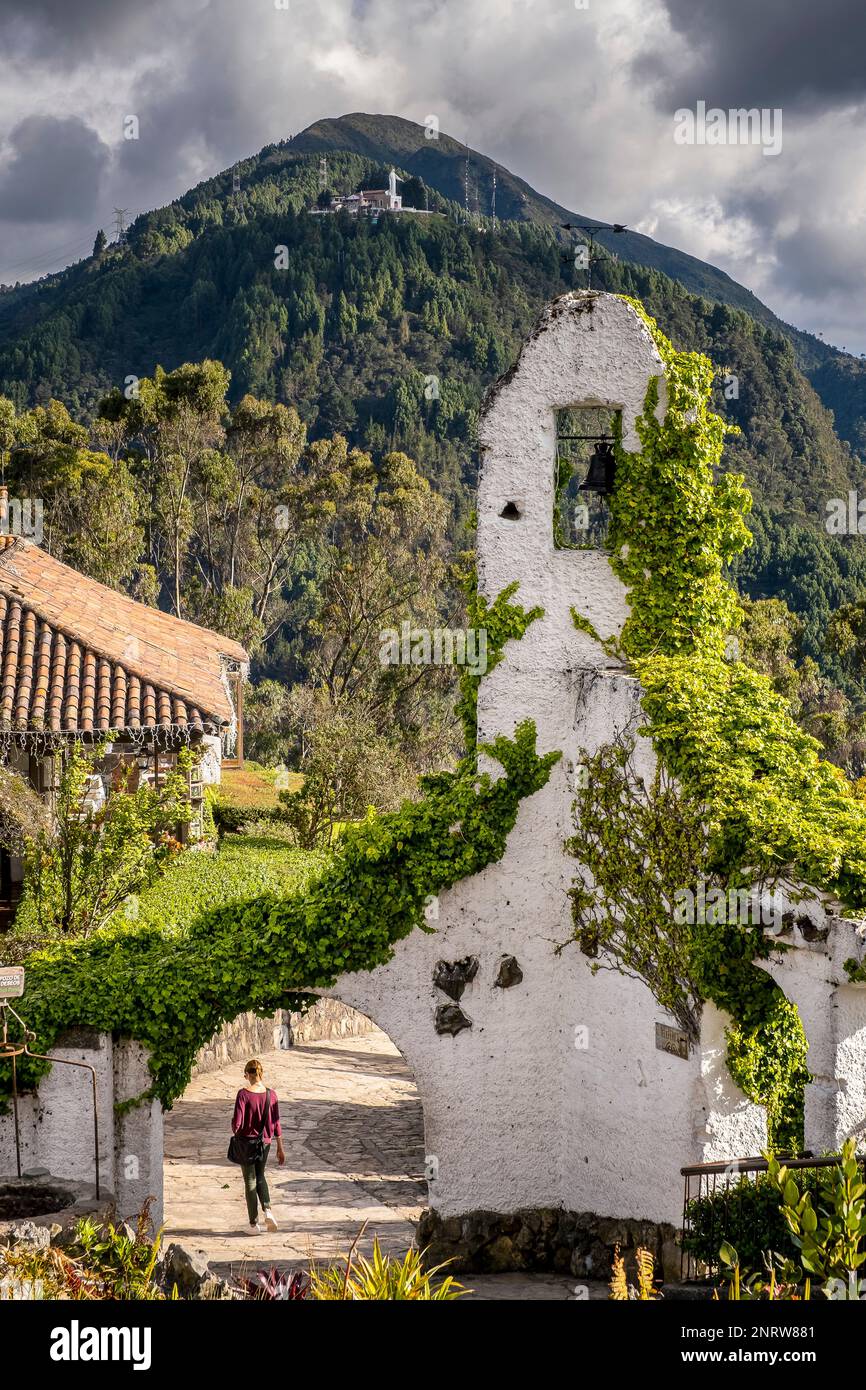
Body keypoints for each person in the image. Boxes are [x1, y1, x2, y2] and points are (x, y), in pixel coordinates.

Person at [232, 1058, 285, 1234]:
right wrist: (280, 1147)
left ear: (248, 1074)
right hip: (266, 1142)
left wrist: (236, 1128)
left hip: (247, 1142)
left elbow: (237, 1124)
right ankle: (268, 1210)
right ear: (261, 1074)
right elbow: (276, 1124)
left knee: (250, 1180)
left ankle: (253, 1224)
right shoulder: (272, 1095)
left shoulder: (243, 1095)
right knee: (260, 1175)